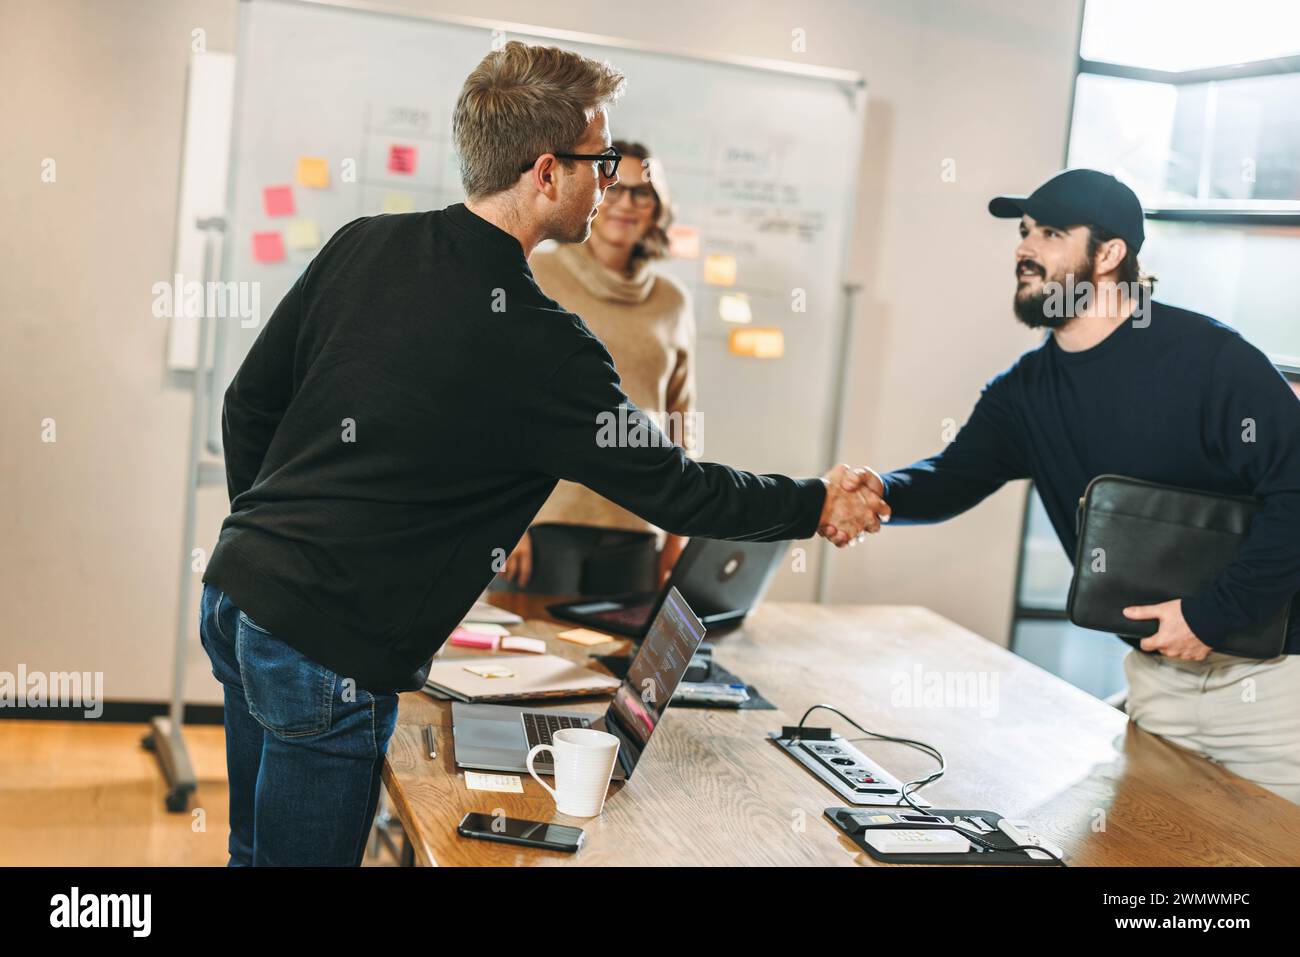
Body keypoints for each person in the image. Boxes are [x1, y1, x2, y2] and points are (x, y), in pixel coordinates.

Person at [198, 41, 888, 866]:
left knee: (250, 855)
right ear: (547, 172)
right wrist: (816, 501)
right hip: (322, 649)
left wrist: (269, 542)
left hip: (238, 596)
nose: (608, 183)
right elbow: (679, 490)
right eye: (601, 162)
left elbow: (247, 406)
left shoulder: (364, 242)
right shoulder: (544, 347)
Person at [868, 168, 1300, 801]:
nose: (1023, 249)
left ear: (1110, 253)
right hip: (1158, 682)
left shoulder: (1210, 360)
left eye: (1048, 233)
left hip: (1276, 685)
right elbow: (948, 480)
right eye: (1022, 233)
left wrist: (1210, 616)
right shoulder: (1026, 391)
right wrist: (868, 490)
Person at [499, 139, 694, 594]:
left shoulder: (673, 301)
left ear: (657, 208)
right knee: (533, 662)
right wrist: (508, 523)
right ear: (594, 192)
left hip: (639, 523)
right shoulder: (537, 273)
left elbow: (682, 419)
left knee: (616, 663)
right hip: (545, 519)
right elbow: (497, 400)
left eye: (641, 193)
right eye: (615, 187)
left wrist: (679, 533)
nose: (626, 203)